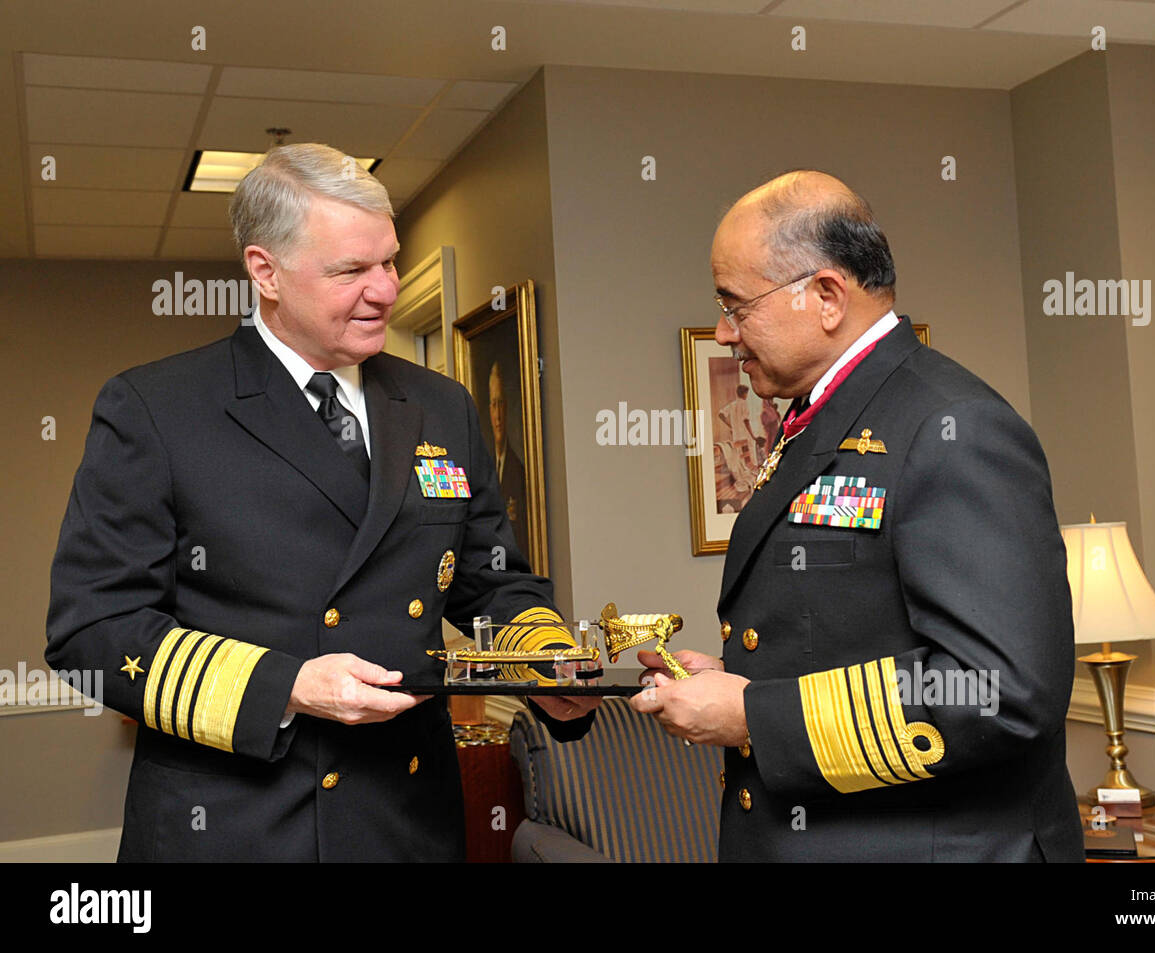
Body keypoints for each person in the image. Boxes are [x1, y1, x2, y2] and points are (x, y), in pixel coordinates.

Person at [45, 143, 598, 862]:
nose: (385, 290)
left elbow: (492, 581)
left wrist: (549, 664)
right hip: (237, 822)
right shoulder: (157, 408)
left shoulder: (440, 406)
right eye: (351, 271)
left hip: (405, 817)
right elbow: (92, 629)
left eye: (390, 262)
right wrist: (291, 685)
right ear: (263, 271)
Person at [631, 170, 1084, 862]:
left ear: (826, 296)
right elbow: (853, 628)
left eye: (736, 305)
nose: (724, 332)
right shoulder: (825, 415)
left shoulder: (951, 424)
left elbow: (1001, 688)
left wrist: (753, 715)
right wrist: (738, 678)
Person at [488, 361, 529, 558]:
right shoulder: (484, 468)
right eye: (494, 404)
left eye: (501, 403)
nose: (498, 416)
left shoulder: (519, 471)